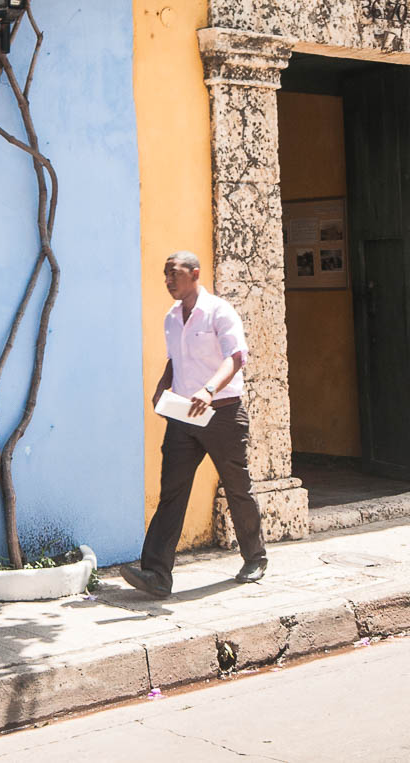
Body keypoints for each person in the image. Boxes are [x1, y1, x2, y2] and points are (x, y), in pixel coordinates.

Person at [120, 251, 267, 598]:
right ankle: (156, 574)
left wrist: (209, 388)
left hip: (223, 413)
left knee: (237, 486)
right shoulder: (172, 318)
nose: (168, 280)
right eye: (165, 274)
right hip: (184, 415)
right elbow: (176, 359)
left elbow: (236, 357)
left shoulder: (219, 311)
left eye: (174, 273)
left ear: (194, 273)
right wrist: (161, 385)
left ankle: (255, 557)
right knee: (172, 491)